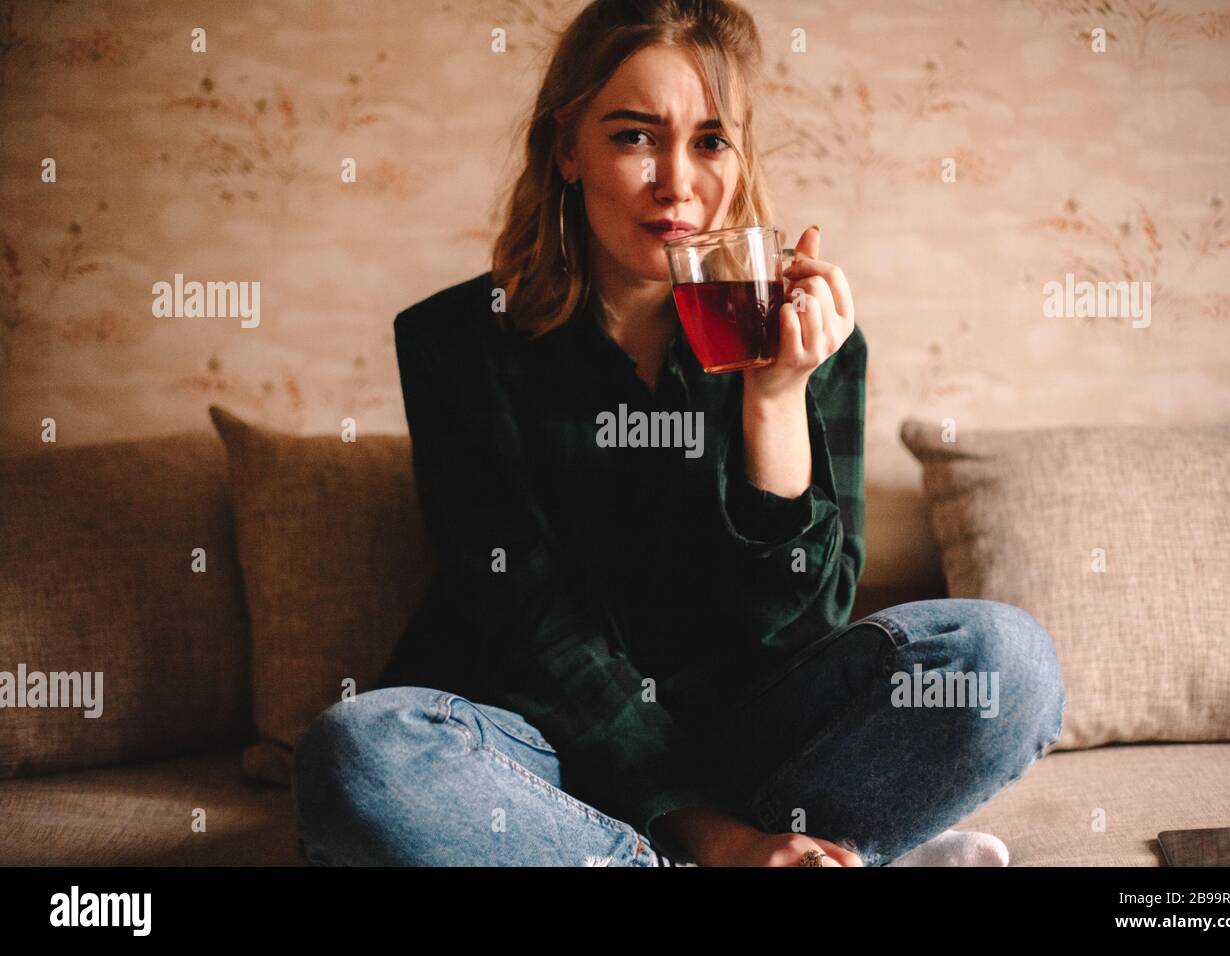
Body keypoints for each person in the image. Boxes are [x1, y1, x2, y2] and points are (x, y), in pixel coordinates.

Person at [291, 0, 1065, 867]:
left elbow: (802, 631)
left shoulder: (816, 345)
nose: (677, 182)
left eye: (710, 140)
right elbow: (524, 619)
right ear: (566, 148)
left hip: (751, 737)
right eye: (634, 137)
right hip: (541, 753)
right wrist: (715, 836)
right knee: (362, 753)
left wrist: (775, 398)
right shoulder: (457, 341)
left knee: (1006, 661)